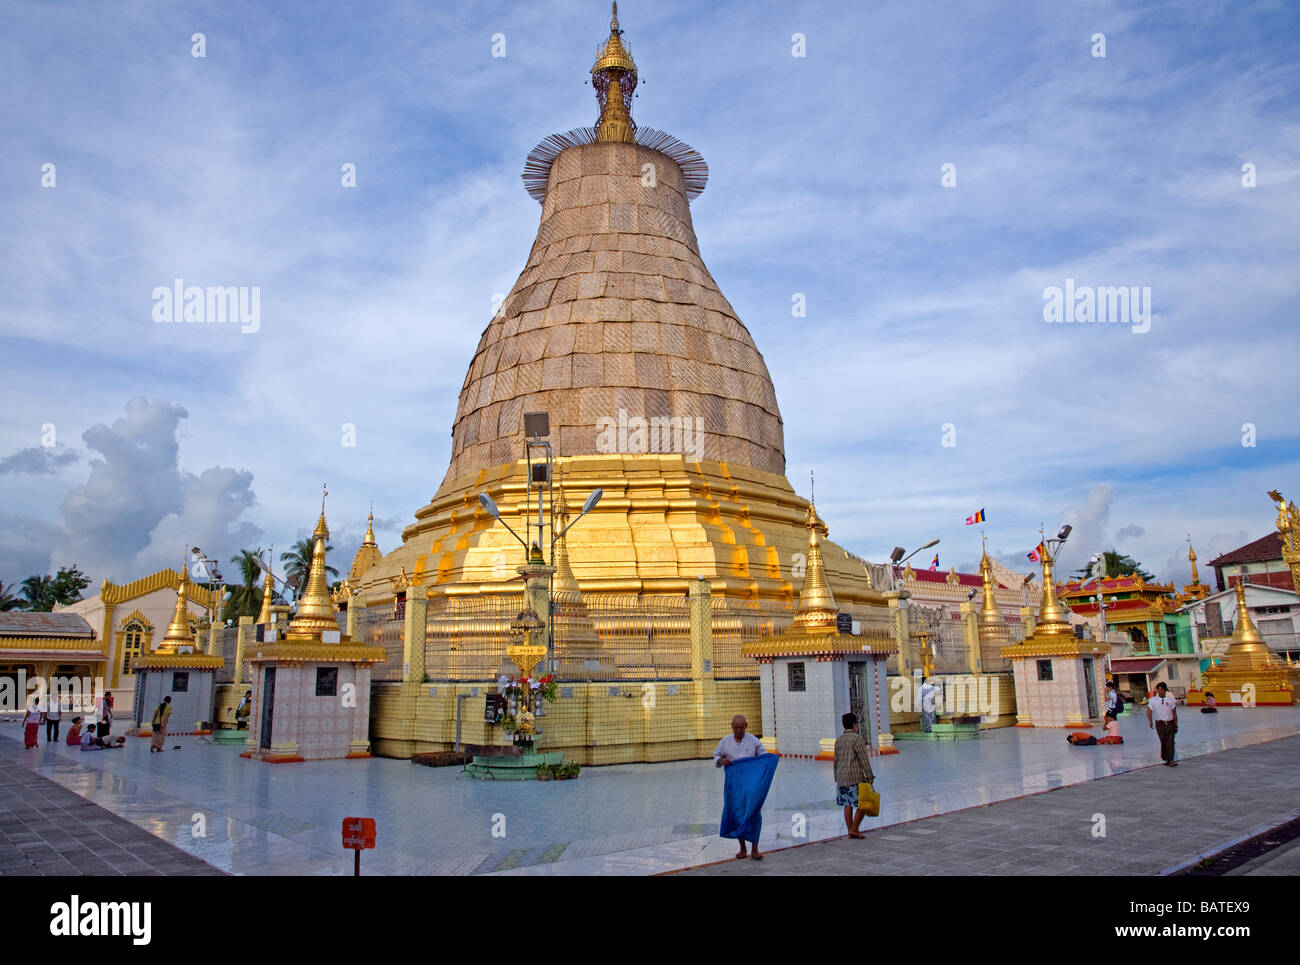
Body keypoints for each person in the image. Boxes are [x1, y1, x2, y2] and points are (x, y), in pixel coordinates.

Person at [714, 714, 771, 859]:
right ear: (731, 726)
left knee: (754, 815)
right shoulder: (725, 742)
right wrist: (721, 761)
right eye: (736, 728)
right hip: (735, 787)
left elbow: (763, 756)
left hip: (752, 787)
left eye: (741, 728)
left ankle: (755, 849)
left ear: (746, 726)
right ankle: (742, 848)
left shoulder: (753, 740)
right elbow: (716, 756)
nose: (739, 730)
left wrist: (770, 760)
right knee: (738, 815)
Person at [833, 712, 875, 839]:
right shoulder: (857, 739)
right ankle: (854, 829)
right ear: (854, 724)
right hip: (854, 776)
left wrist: (836, 776)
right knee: (863, 803)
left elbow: (836, 760)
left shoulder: (839, 740)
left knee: (847, 804)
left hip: (841, 777)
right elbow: (863, 759)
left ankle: (850, 830)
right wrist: (870, 776)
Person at [1147, 681, 1179, 766]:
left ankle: (1171, 760)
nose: (1161, 692)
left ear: (1165, 691)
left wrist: (1176, 725)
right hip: (1160, 724)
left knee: (1170, 741)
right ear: (1157, 690)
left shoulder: (1170, 700)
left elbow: (1174, 713)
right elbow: (1149, 711)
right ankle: (1167, 759)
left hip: (1170, 723)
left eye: (1162, 690)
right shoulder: (1153, 700)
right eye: (1159, 690)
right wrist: (1150, 721)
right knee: (1163, 741)